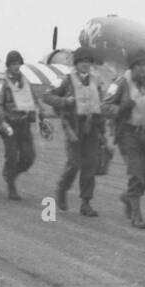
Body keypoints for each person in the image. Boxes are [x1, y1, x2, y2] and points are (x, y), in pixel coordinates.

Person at [103, 47, 145, 228]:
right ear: (132, 67)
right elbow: (105, 107)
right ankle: (136, 214)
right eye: (139, 65)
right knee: (136, 174)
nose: (143, 68)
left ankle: (128, 197)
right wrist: (121, 107)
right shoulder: (120, 83)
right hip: (128, 133)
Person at [43, 47, 105, 216]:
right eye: (82, 61)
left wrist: (102, 131)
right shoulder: (66, 80)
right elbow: (47, 96)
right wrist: (65, 101)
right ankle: (61, 190)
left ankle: (86, 203)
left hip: (91, 128)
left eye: (88, 62)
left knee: (90, 167)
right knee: (74, 164)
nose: (85, 64)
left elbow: (100, 106)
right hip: (73, 127)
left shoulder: (96, 81)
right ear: (76, 63)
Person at [0, 50, 43, 201]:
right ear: (8, 65)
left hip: (24, 124)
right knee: (12, 156)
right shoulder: (1, 84)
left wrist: (41, 113)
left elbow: (34, 99)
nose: (16, 66)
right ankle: (11, 185)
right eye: (13, 63)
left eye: (18, 63)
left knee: (29, 157)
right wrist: (2, 122)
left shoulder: (26, 82)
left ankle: (11, 175)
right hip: (9, 125)